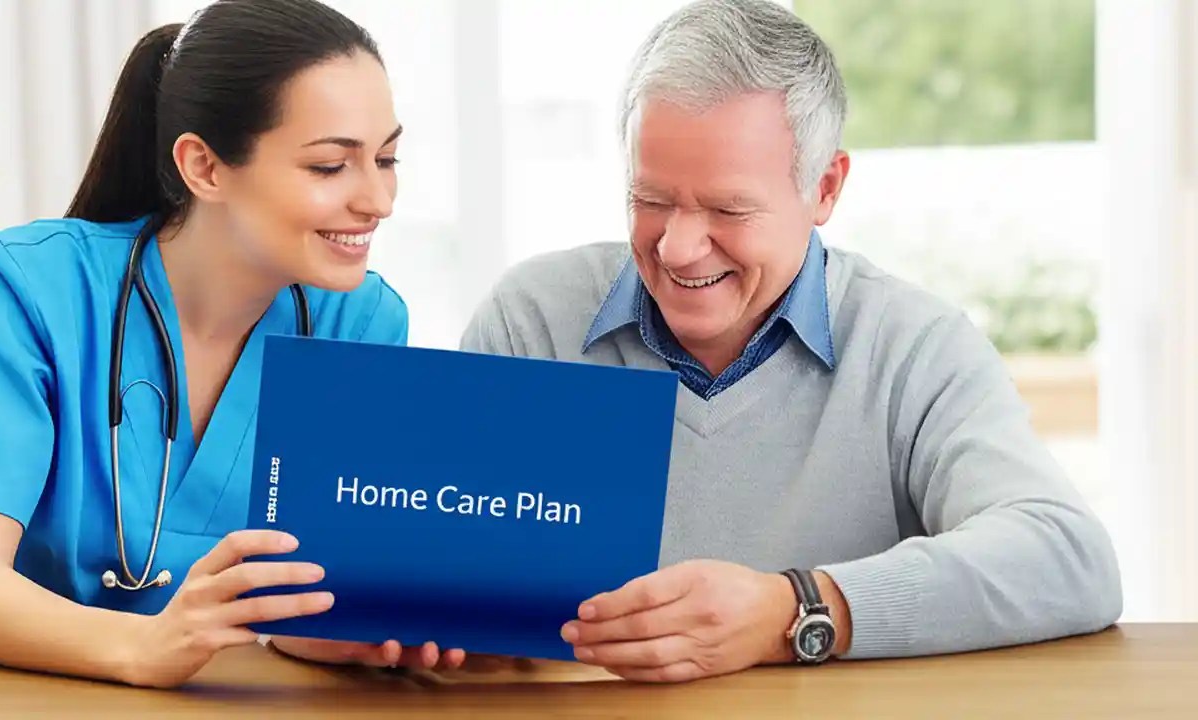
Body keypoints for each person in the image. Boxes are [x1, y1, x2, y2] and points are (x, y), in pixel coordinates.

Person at [460, 0, 1123, 683]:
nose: (678, 247)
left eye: (728, 209)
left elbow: (1068, 557)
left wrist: (797, 610)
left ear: (825, 188)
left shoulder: (913, 347)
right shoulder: (531, 321)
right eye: (651, 200)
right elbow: (427, 560)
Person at [0, 0, 468, 688]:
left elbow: (316, 586)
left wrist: (319, 633)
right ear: (204, 167)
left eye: (386, 157)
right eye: (331, 166)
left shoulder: (360, 321)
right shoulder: (27, 288)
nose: (379, 199)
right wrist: (144, 647)